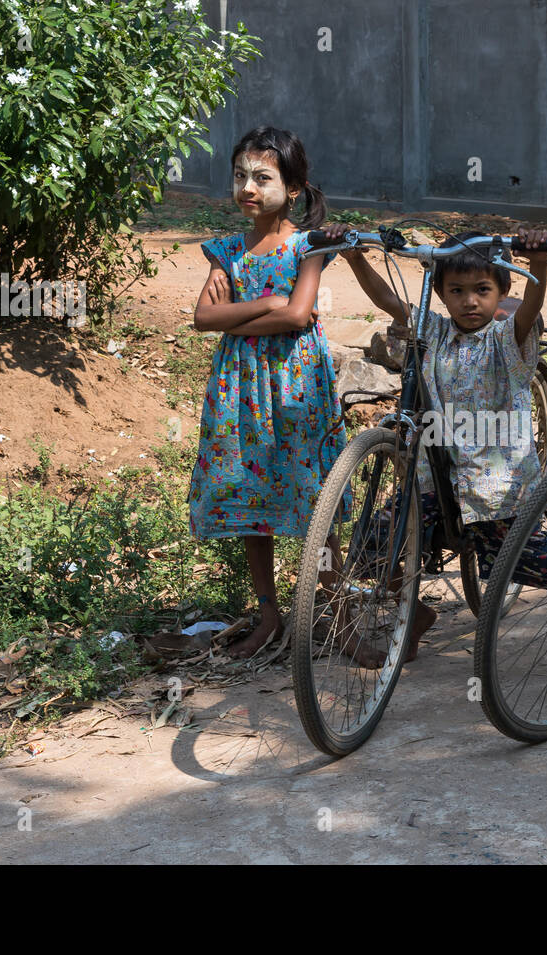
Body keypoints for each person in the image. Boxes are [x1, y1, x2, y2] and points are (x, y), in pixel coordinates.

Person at [323, 223, 547, 688]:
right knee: (376, 541)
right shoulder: (432, 331)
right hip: (437, 478)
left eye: (482, 290)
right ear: (440, 293)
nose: (469, 301)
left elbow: (531, 306)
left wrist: (537, 262)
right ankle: (415, 613)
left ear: (501, 292)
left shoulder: (507, 341)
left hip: (497, 488)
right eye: (456, 291)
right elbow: (387, 301)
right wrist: (355, 258)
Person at [189, 127, 344, 658]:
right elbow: (203, 317)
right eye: (239, 176)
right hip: (239, 393)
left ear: (294, 188)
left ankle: (339, 614)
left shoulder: (310, 245)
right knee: (254, 502)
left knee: (314, 501)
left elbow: (299, 315)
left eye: (262, 177)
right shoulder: (226, 249)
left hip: (297, 388)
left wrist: (247, 315)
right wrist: (266, 305)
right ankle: (269, 616)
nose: (247, 187)